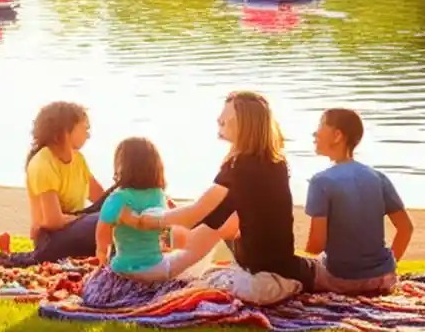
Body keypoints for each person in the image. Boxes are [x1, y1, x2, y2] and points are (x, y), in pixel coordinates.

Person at [119, 92, 315, 303]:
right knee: (216, 227)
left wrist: (152, 221)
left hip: (261, 283)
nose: (219, 121)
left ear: (243, 123)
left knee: (204, 276)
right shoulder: (275, 163)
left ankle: (160, 263)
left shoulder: (239, 167)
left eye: (225, 118)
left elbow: (195, 215)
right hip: (284, 273)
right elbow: (212, 219)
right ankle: (160, 253)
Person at [304, 109, 414, 295]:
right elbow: (406, 228)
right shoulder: (378, 177)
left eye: (321, 125)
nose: (315, 133)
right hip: (384, 278)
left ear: (337, 135)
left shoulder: (321, 181)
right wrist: (388, 266)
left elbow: (315, 246)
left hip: (340, 280)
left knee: (297, 268)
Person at [0, 101, 107, 265]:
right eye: (85, 129)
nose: (88, 135)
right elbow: (53, 221)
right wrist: (85, 217)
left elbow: (103, 199)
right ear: (65, 132)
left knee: (118, 203)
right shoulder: (43, 164)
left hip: (76, 228)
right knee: (109, 218)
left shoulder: (78, 160)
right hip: (51, 239)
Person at [95, 138, 189, 282]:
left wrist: (102, 255)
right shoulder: (159, 195)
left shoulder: (117, 198)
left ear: (121, 167)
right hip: (156, 269)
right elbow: (170, 230)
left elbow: (102, 234)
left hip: (124, 269)